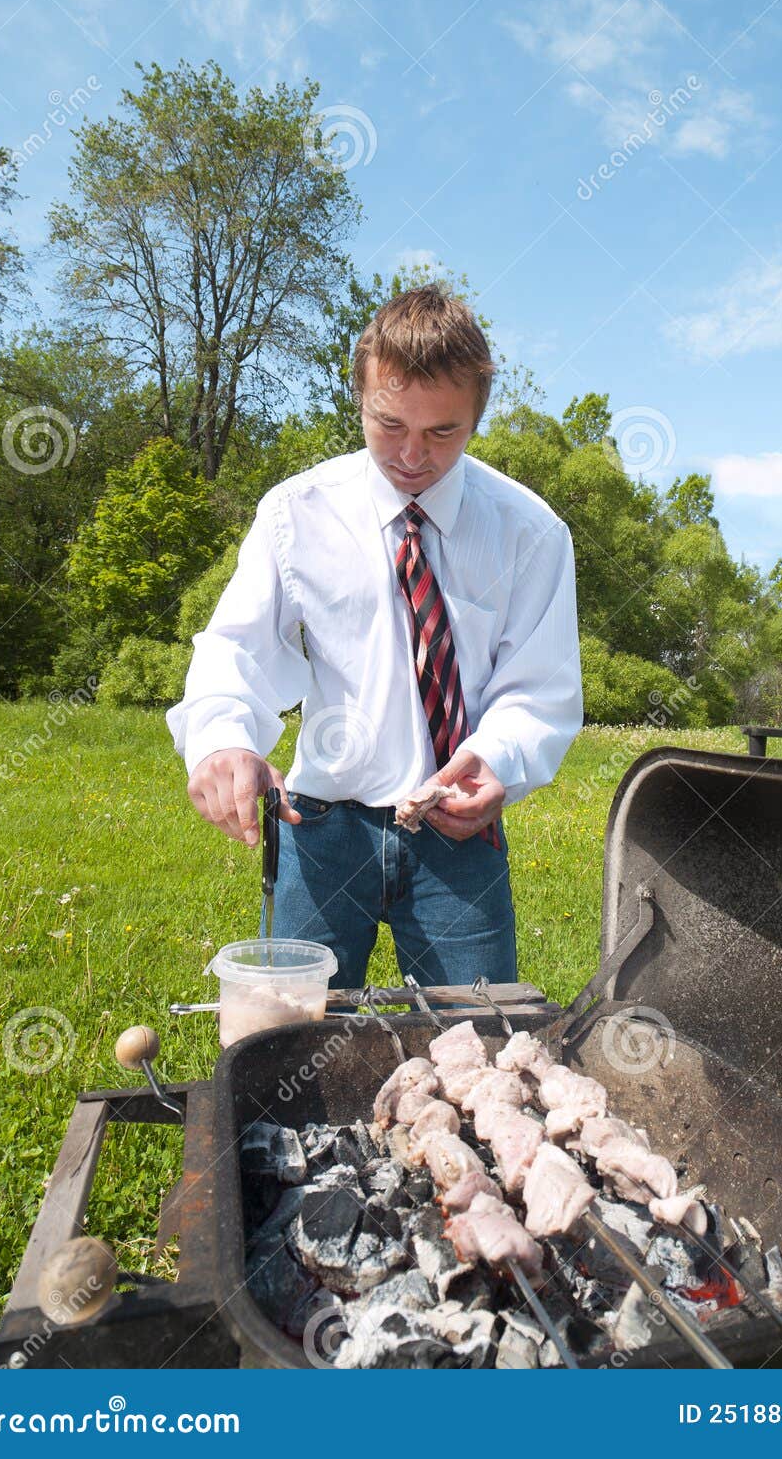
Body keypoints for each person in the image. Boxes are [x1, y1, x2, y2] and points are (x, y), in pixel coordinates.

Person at [165, 283, 583, 988]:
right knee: (293, 1052)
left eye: (441, 432)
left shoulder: (531, 532)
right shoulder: (295, 513)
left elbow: (537, 688)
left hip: (458, 835)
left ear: (477, 419)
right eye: (388, 424)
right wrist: (222, 739)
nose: (412, 456)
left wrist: (498, 758)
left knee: (478, 1054)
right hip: (321, 834)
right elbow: (238, 650)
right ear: (358, 400)